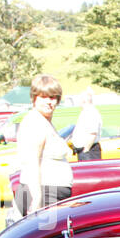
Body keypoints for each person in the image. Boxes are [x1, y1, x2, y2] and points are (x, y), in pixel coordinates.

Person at [17, 74, 73, 214]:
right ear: (34, 98)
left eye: (53, 97)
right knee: (43, 234)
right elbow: (31, 162)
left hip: (50, 193)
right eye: (44, 97)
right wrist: (37, 198)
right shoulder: (35, 122)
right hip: (43, 195)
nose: (49, 101)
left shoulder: (45, 121)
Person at [70, 89, 103, 161]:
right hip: (85, 151)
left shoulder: (91, 112)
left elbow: (93, 134)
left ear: (83, 101)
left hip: (89, 152)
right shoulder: (86, 112)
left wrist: (86, 150)